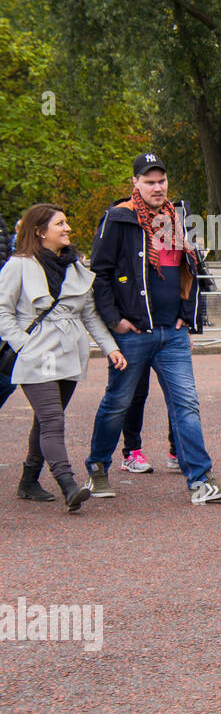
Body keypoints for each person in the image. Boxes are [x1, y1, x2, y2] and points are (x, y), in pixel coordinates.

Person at [83, 152, 221, 504]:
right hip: (133, 333)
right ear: (135, 183)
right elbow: (101, 275)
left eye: (162, 180)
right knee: (118, 402)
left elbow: (189, 270)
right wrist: (115, 320)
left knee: (186, 404)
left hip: (172, 332)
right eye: (149, 181)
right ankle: (97, 467)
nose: (157, 187)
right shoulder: (118, 218)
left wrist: (187, 314)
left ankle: (201, 482)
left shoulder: (174, 218)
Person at [0, 204, 126, 509]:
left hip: (69, 354)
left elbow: (90, 315)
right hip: (36, 355)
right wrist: (23, 345)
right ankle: (68, 484)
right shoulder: (18, 265)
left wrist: (111, 348)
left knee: (44, 422)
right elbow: (3, 311)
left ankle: (29, 480)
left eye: (66, 222)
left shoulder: (78, 269)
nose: (67, 228)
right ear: (41, 231)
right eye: (60, 223)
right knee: (53, 421)